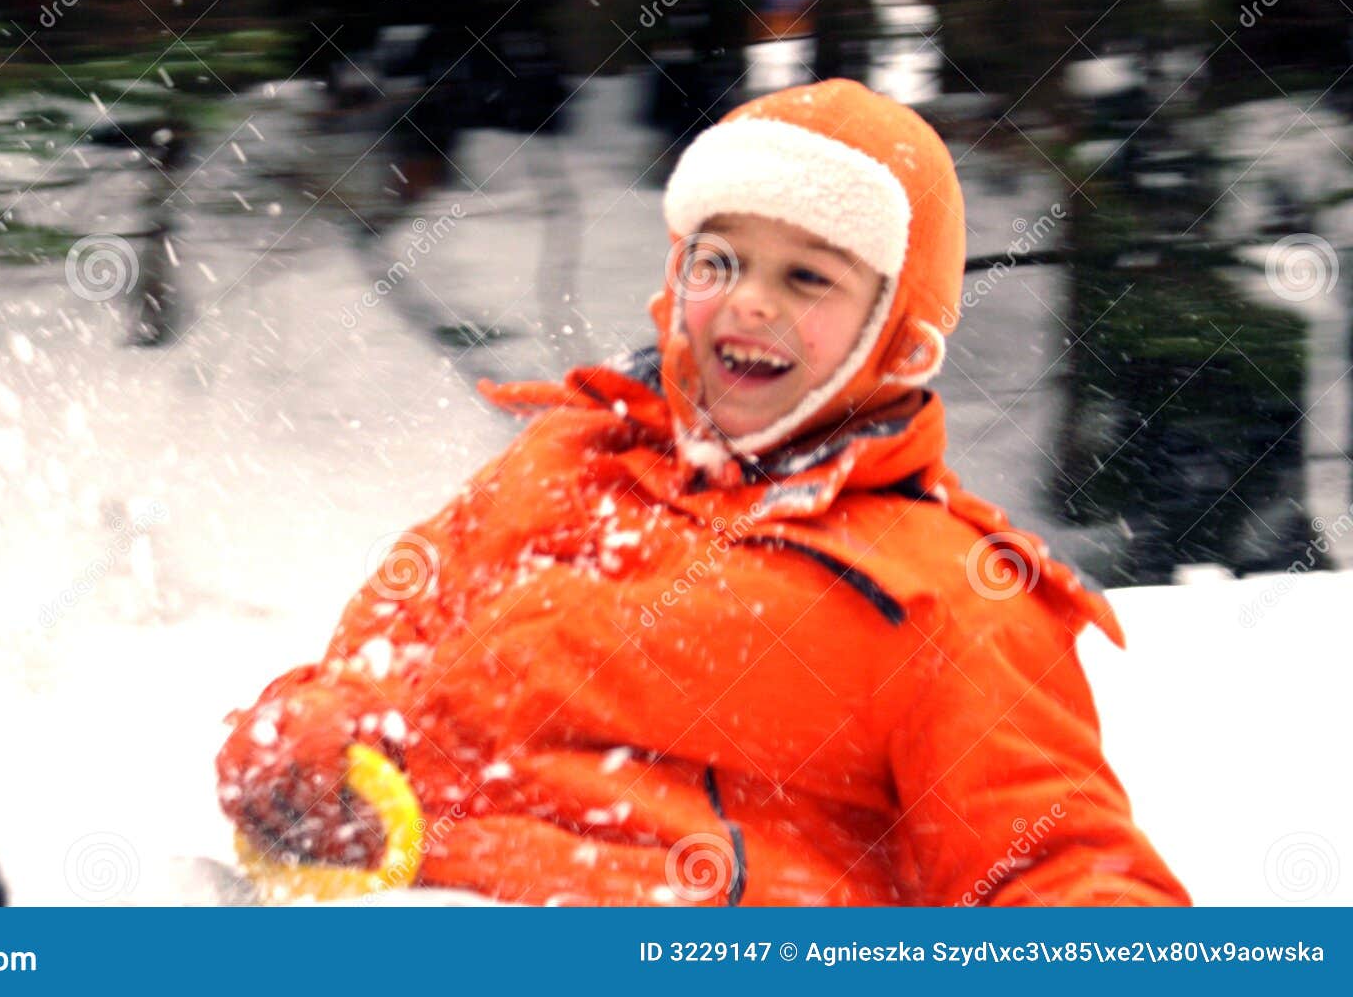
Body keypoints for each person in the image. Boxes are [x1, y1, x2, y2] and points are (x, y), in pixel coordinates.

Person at [215, 79, 1190, 907]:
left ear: (898, 340)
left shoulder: (943, 593)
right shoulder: (560, 462)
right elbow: (371, 671)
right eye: (719, 261)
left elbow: (1060, 872)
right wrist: (301, 749)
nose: (749, 301)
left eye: (807, 276)